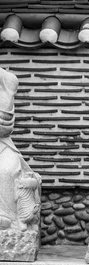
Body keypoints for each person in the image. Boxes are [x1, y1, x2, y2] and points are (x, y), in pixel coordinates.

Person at [0, 67, 39, 233]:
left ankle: (7, 217)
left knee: (8, 169)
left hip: (2, 143)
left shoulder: (7, 81)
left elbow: (4, 127)